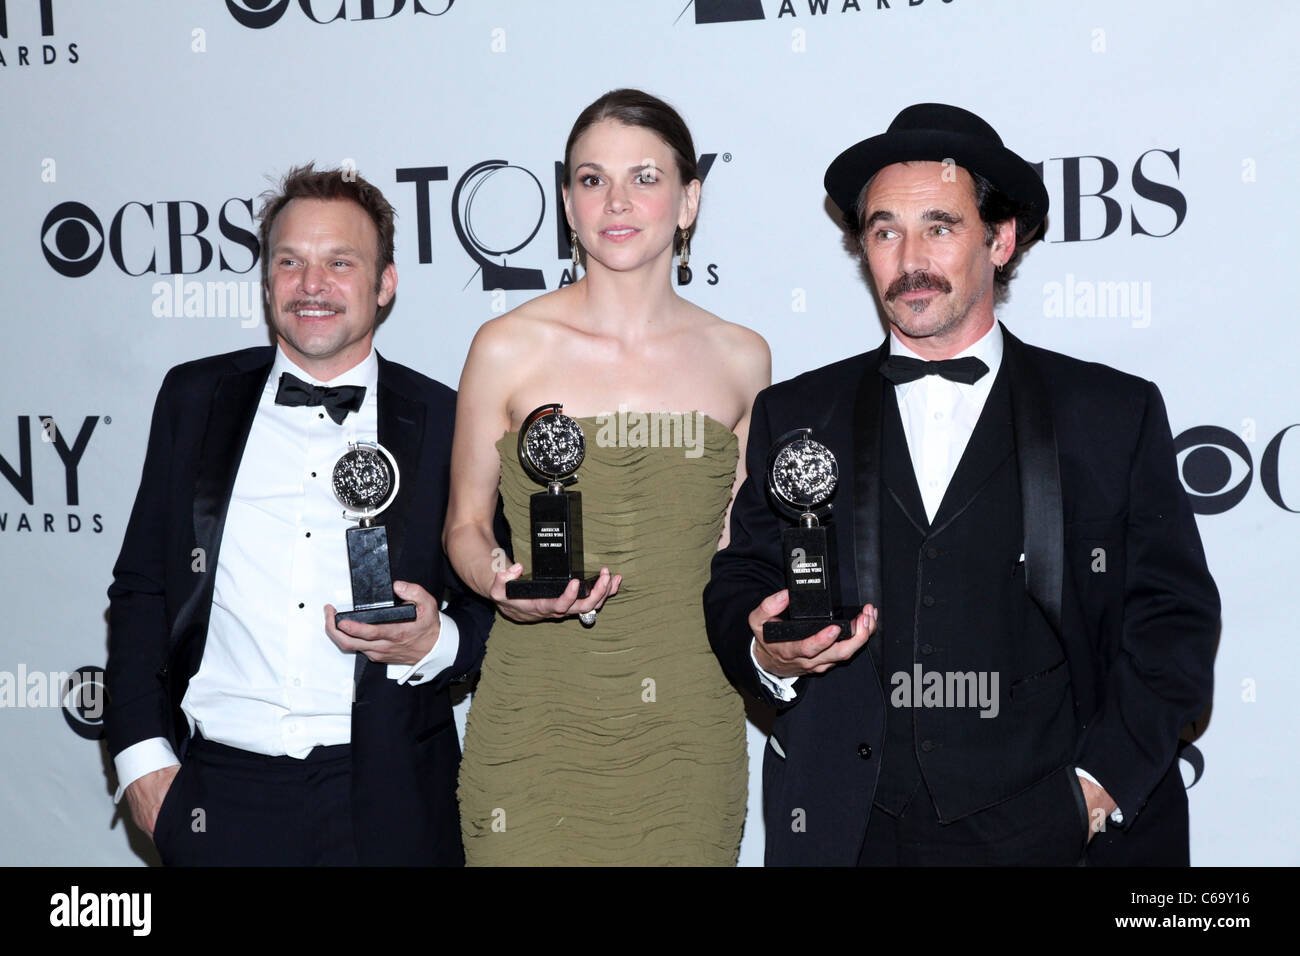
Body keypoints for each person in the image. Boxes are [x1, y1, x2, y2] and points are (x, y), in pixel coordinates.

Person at [704, 103, 1219, 866]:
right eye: (884, 231)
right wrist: (768, 655)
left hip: (1056, 823)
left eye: (939, 227)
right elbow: (740, 578)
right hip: (854, 828)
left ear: (1001, 241)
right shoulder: (799, 414)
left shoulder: (1111, 413)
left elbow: (1172, 622)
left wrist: (1092, 791)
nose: (909, 257)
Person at [104, 164, 493, 865]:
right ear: (267, 281)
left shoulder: (446, 419)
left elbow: (493, 606)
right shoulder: (194, 399)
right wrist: (139, 760)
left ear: (385, 284)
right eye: (291, 261)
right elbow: (141, 591)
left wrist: (433, 646)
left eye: (340, 263)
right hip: (217, 797)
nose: (312, 286)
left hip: (391, 796)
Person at [445, 89, 770, 865]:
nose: (616, 202)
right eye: (592, 180)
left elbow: (738, 550)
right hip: (535, 716)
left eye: (645, 178)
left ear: (689, 200)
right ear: (567, 200)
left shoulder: (742, 359)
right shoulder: (505, 347)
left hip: (686, 722)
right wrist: (500, 584)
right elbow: (463, 524)